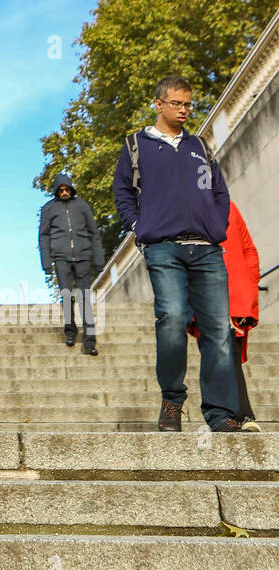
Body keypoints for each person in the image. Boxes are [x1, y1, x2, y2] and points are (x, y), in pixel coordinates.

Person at [113, 74, 241, 433]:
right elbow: (122, 191)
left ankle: (218, 413)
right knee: (171, 319)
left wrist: (218, 226)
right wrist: (139, 227)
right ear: (159, 103)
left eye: (188, 104)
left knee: (217, 329)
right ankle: (172, 399)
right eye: (177, 103)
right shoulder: (135, 145)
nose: (185, 110)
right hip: (163, 248)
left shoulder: (199, 145)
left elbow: (220, 192)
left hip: (206, 249)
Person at [189, 201, 261, 432]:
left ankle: (239, 414)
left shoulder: (228, 206)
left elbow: (249, 249)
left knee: (229, 352)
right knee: (222, 353)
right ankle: (238, 414)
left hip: (235, 293)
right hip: (206, 292)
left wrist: (249, 284)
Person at [38, 174, 105, 354]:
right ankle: (70, 331)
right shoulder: (48, 209)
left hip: (83, 255)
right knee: (67, 296)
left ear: (71, 189)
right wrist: (46, 262)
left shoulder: (82, 205)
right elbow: (43, 236)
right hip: (61, 257)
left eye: (67, 189)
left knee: (84, 297)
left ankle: (90, 341)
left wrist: (98, 259)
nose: (65, 192)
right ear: (56, 191)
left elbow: (94, 232)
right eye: (61, 190)